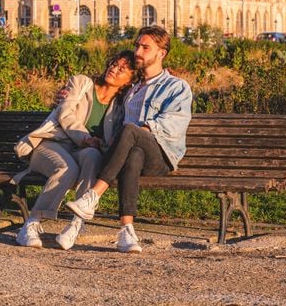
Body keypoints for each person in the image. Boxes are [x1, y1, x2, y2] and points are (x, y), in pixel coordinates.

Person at [65, 26, 192, 253]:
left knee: (132, 131)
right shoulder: (132, 90)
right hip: (132, 155)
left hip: (161, 156)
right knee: (133, 154)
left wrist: (143, 129)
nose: (138, 51)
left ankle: (93, 196)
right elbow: (106, 102)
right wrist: (65, 96)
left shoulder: (176, 86)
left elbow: (175, 122)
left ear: (161, 53)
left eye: (145, 47)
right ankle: (127, 231)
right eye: (137, 46)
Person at [13, 50, 137, 250]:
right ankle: (31, 224)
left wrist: (95, 144)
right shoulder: (81, 83)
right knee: (67, 168)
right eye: (114, 63)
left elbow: (111, 140)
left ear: (129, 81)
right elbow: (65, 113)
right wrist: (85, 138)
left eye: (122, 69)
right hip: (51, 144)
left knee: (93, 157)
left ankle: (76, 224)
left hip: (82, 151)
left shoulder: (120, 107)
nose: (114, 68)